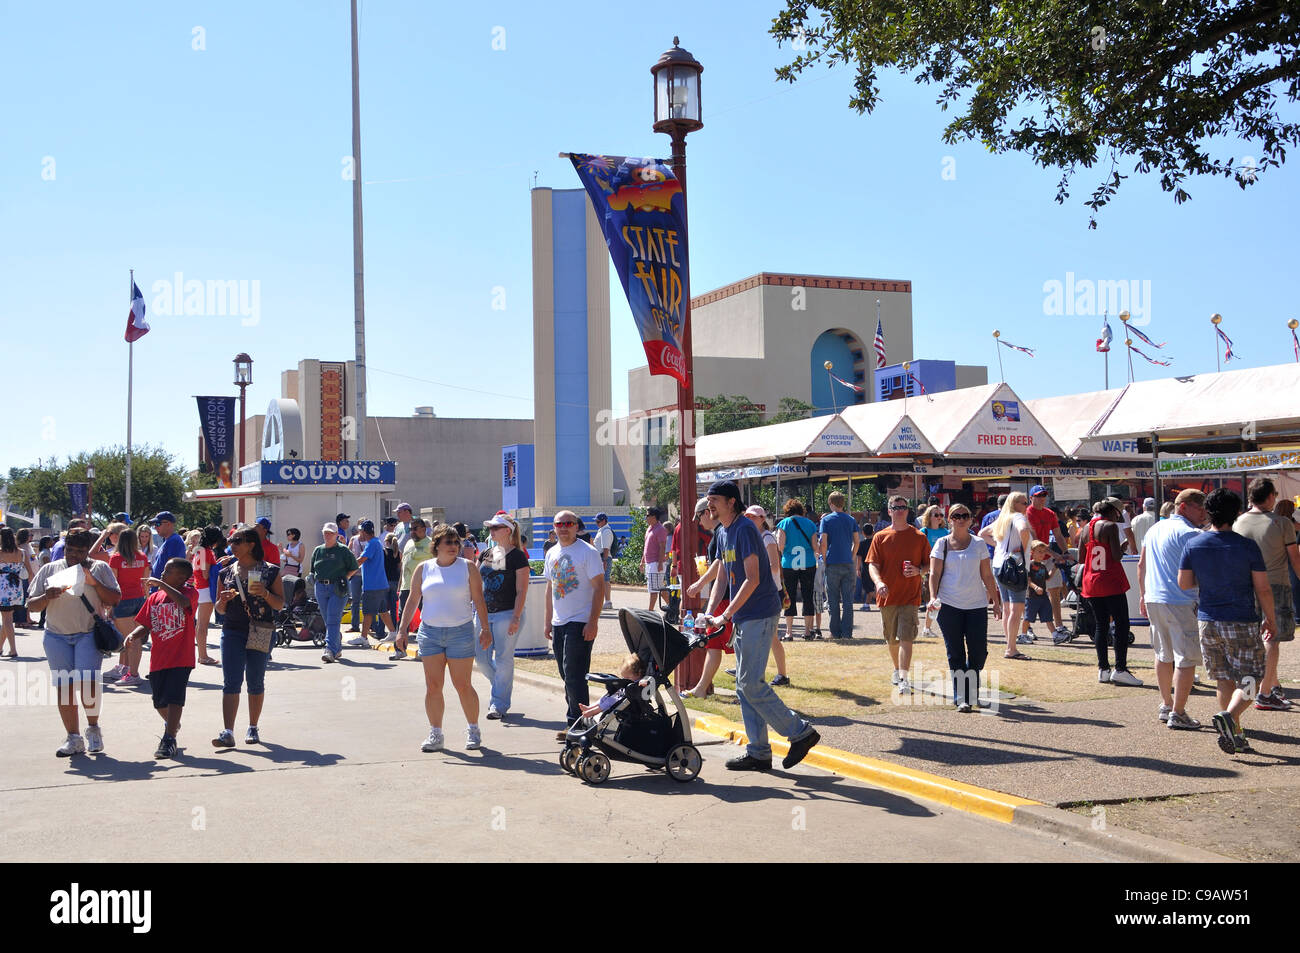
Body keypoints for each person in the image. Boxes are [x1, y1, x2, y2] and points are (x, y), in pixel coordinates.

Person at [700, 481, 819, 771]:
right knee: (744, 686)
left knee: (751, 683)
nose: (709, 506)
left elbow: (752, 579)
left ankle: (801, 732)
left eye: (713, 500)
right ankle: (759, 752)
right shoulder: (725, 531)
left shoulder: (744, 530)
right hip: (744, 616)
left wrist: (724, 615)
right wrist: (708, 612)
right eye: (708, 501)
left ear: (731, 502)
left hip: (760, 613)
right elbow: (725, 577)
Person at [1179, 488, 1276, 755]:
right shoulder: (1246, 546)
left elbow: (1184, 583)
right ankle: (1230, 718)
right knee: (1253, 678)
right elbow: (1263, 588)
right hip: (1241, 619)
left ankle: (1235, 733)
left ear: (1208, 512)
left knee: (1223, 680)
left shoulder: (1194, 544)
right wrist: (1270, 618)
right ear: (1236, 513)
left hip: (1208, 619)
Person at [396, 523, 493, 752]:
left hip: (461, 632)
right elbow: (412, 600)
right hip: (430, 633)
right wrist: (401, 630)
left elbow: (479, 600)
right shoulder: (424, 568)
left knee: (463, 685)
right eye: (448, 542)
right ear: (436, 545)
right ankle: (436, 733)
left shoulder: (468, 568)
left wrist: (486, 628)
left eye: (456, 542)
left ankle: (473, 729)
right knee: (433, 686)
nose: (453, 546)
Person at [27, 529, 122, 756]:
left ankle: (92, 728)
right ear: (65, 548)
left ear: (87, 550)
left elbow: (115, 599)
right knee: (64, 687)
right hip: (56, 635)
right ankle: (73, 737)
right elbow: (31, 605)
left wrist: (93, 582)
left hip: (87, 633)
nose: (74, 555)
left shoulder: (100, 568)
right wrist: (45, 597)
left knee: (88, 684)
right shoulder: (50, 569)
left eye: (80, 551)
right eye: (70, 550)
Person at [1138, 489, 1207, 730]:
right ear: (1185, 506)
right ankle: (1177, 712)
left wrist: (1143, 594)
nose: (1204, 514)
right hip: (1181, 600)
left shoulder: (1155, 528)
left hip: (1155, 597)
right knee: (1185, 658)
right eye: (1200, 508)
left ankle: (1167, 704)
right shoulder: (1191, 533)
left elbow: (1141, 563)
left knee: (1163, 654)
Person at [213, 528, 284, 747]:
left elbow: (280, 604)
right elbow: (219, 610)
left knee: (255, 681)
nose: (231, 545)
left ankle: (253, 726)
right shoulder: (225, 573)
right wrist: (222, 601)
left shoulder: (270, 571)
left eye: (237, 541)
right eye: (230, 541)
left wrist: (264, 593)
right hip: (232, 630)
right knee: (231, 682)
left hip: (260, 629)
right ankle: (228, 732)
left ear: (251, 544)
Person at [1232, 477, 1299, 710]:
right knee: (1272, 638)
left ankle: (1272, 684)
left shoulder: (1237, 522)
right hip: (1275, 585)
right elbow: (1295, 558)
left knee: (1256, 639)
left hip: (1245, 586)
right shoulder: (1282, 523)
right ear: (1270, 496)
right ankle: (1265, 692)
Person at [928, 504, 1001, 711]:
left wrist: (995, 601)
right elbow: (933, 574)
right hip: (949, 604)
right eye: (956, 516)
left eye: (965, 516)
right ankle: (963, 696)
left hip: (976, 604)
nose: (960, 519)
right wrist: (933, 597)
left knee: (979, 652)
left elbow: (987, 575)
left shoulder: (978, 543)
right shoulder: (942, 544)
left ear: (970, 520)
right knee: (956, 652)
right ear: (949, 520)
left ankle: (969, 687)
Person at [543, 510, 606, 739]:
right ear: (554, 526)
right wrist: (547, 621)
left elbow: (599, 587)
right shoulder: (552, 553)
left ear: (576, 526)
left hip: (580, 621)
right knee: (565, 673)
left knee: (574, 674)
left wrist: (593, 622)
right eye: (559, 523)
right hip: (559, 622)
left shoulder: (587, 552)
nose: (564, 527)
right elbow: (550, 588)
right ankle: (579, 720)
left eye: (569, 523)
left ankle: (577, 724)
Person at [127, 558, 199, 759]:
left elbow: (184, 603)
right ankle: (173, 725)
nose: (162, 573)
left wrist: (163, 585)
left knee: (175, 698)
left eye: (168, 571)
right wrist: (134, 635)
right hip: (159, 659)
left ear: (182, 578)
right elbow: (146, 624)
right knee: (159, 702)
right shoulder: (155, 597)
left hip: (181, 657)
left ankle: (169, 740)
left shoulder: (189, 593)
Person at [868, 495, 932, 693]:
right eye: (896, 507)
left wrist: (919, 571)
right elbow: (873, 565)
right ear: (889, 511)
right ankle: (896, 669)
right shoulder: (880, 537)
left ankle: (904, 677)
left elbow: (930, 563)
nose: (900, 510)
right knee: (892, 639)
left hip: (910, 596)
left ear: (908, 510)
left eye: (903, 507)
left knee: (906, 637)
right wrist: (878, 583)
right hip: (887, 596)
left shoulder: (919, 537)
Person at [1079, 499, 1142, 685]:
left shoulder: (1086, 528)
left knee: (1101, 625)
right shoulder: (1110, 527)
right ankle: (1120, 668)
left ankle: (1103, 669)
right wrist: (1122, 547)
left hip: (1091, 581)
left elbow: (1082, 557)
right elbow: (1115, 556)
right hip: (1110, 581)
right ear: (1114, 512)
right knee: (1122, 624)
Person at [476, 513, 530, 719]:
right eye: (490, 527)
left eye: (496, 527)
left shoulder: (517, 556)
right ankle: (501, 685)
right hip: (483, 615)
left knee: (503, 658)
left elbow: (521, 591)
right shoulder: (490, 553)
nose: (492, 531)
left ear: (508, 530)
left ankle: (498, 704)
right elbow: (485, 582)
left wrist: (516, 617)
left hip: (506, 613)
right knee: (481, 658)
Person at [682, 497, 732, 698]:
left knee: (723, 643)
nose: (699, 522)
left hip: (726, 598)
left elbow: (719, 564)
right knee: (713, 644)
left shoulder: (720, 533)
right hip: (723, 597)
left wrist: (700, 583)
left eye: (699, 517)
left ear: (706, 512)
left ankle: (702, 688)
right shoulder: (720, 532)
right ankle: (702, 688)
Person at [979, 492, 1035, 660]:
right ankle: (1011, 648)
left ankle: (1009, 644)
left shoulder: (1002, 518)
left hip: (999, 564)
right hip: (1015, 566)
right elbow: (1024, 530)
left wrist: (999, 546)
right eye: (1024, 503)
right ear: (1015, 504)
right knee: (1016, 608)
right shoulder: (1018, 517)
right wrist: (1021, 549)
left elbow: (982, 533)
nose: (1027, 506)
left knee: (1007, 607)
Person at [101, 524, 151, 686]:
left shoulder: (116, 558)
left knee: (131, 640)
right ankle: (128, 670)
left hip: (122, 601)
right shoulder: (142, 557)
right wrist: (147, 600)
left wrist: (109, 605)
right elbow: (145, 582)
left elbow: (112, 583)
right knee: (133, 639)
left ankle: (133, 674)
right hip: (139, 600)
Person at [745, 505, 789, 685]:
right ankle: (752, 671)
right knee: (761, 635)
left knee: (770, 636)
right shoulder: (754, 538)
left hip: (769, 592)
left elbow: (774, 566)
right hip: (760, 592)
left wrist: (755, 579)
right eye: (747, 517)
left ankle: (782, 674)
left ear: (762, 519)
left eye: (754, 517)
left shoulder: (767, 538)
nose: (750, 520)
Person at [1025, 485, 1071, 642]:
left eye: (1044, 495)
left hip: (1046, 557)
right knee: (1031, 596)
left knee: (1055, 590)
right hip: (1031, 558)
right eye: (1038, 496)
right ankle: (1027, 629)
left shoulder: (1050, 513)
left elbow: (1058, 535)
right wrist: (1055, 554)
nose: (1042, 498)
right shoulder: (1028, 513)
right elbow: (1035, 540)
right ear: (1031, 498)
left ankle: (1059, 626)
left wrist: (1065, 552)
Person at [311, 522, 359, 663]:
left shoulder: (343, 550)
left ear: (336, 534)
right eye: (326, 532)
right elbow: (313, 570)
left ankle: (329, 650)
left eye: (331, 533)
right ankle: (337, 648)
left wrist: (345, 579)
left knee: (332, 619)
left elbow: (354, 567)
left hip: (338, 588)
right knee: (328, 620)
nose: (328, 535)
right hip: (320, 587)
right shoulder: (318, 550)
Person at [817, 491, 860, 640]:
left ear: (831, 503)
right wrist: (852, 556)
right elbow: (857, 541)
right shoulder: (851, 519)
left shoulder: (826, 520)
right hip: (848, 562)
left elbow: (823, 542)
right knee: (848, 600)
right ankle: (847, 633)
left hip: (832, 563)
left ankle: (835, 632)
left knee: (833, 600)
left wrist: (825, 559)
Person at [775, 499, 818, 641]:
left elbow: (780, 546)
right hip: (808, 563)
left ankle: (789, 632)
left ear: (788, 510)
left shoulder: (784, 524)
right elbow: (815, 546)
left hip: (789, 564)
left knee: (789, 596)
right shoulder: (810, 524)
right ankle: (807, 631)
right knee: (808, 596)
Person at [349, 520, 397, 647]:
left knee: (368, 612)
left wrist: (347, 573)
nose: (360, 533)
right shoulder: (377, 542)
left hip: (373, 585)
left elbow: (361, 560)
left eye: (361, 531)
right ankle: (392, 632)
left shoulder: (372, 544)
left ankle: (363, 638)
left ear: (364, 532)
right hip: (380, 584)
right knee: (382, 611)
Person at [579, 654, 648, 719]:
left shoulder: (640, 681)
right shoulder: (633, 677)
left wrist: (644, 682)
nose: (624, 679)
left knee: (609, 701)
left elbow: (646, 683)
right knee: (605, 698)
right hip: (620, 694)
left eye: (627, 678)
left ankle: (594, 711)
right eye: (623, 677)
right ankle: (590, 707)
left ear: (639, 674)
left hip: (627, 701)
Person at [399, 518, 432, 634]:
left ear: (424, 529)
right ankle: (400, 649)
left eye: (415, 529)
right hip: (406, 587)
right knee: (403, 617)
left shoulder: (431, 544)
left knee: (427, 615)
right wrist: (399, 587)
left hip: (424, 587)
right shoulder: (408, 543)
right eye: (410, 529)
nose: (412, 531)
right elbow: (403, 565)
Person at [0, 527, 24, 657]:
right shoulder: (21, 552)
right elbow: (29, 572)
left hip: (3, 587)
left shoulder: (0, 552)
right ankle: (0, 647)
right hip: (16, 587)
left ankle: (13, 649)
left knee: (7, 618)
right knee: (7, 618)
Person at [642, 506, 668, 612]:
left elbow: (662, 546)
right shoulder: (649, 529)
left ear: (654, 516)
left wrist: (660, 563)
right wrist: (642, 561)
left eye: (647, 515)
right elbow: (646, 546)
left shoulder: (660, 529)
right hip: (649, 563)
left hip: (656, 563)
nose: (646, 517)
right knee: (659, 588)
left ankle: (650, 611)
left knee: (654, 590)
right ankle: (674, 608)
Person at [341, 513, 364, 633]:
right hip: (356, 574)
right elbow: (348, 552)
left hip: (365, 575)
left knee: (366, 600)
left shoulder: (372, 540)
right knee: (355, 600)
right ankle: (355, 625)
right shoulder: (354, 539)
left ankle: (369, 625)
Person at [149, 512, 187, 584]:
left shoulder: (174, 541)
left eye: (158, 524)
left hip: (165, 589)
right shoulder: (168, 540)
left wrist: (163, 588)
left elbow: (173, 568)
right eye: (154, 525)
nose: (155, 527)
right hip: (160, 588)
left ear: (169, 524)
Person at [593, 513, 615, 609]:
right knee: (602, 580)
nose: (596, 523)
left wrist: (604, 561)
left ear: (604, 521)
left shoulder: (606, 531)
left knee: (605, 580)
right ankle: (605, 601)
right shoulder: (601, 530)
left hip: (604, 558)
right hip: (601, 558)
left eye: (598, 521)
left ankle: (608, 601)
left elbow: (606, 548)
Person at [854, 514, 876, 610]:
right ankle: (867, 604)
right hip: (875, 566)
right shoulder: (876, 543)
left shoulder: (862, 544)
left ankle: (870, 602)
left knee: (868, 588)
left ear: (863, 533)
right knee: (870, 587)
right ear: (874, 532)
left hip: (865, 567)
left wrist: (857, 568)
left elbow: (859, 557)